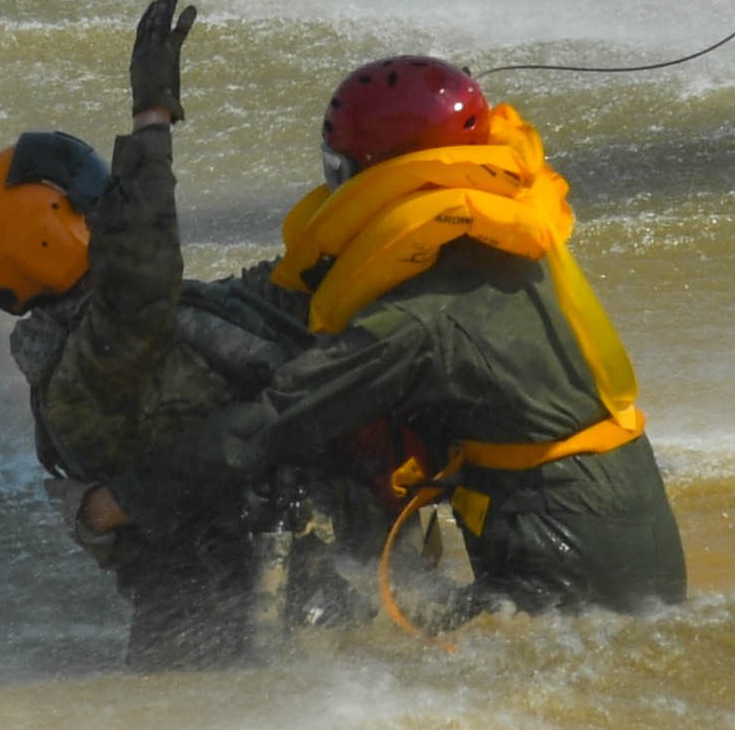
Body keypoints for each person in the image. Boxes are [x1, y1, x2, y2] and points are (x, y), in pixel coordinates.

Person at [103, 55, 688, 626]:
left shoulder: (416, 321)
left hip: (564, 553)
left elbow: (276, 418)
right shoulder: (497, 233)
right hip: (630, 522)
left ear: (373, 173)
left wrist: (125, 499)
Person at [0, 0, 381, 668]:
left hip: (263, 576)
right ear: (46, 233)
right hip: (220, 601)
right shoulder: (89, 364)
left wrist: (371, 195)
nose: (108, 207)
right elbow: (143, 275)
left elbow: (260, 293)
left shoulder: (126, 333)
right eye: (92, 197)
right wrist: (150, 119)